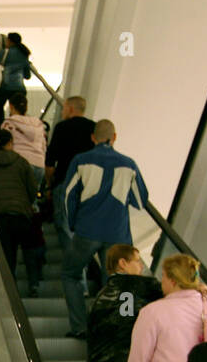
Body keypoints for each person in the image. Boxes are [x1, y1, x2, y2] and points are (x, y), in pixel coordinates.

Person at [61, 119, 150, 338]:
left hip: (86, 231)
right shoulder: (128, 164)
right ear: (115, 137)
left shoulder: (81, 160)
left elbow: (68, 196)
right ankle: (112, 330)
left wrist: (73, 224)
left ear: (93, 137)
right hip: (117, 235)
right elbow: (141, 200)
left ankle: (80, 327)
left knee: (70, 275)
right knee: (113, 282)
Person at [0, 129, 38, 293]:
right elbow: (33, 189)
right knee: (29, 249)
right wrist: (26, 203)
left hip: (0, 216)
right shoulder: (22, 162)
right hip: (22, 214)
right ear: (9, 143)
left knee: (7, 255)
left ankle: (11, 292)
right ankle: (34, 284)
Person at [45, 95, 95, 245]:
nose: (62, 112)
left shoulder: (62, 128)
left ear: (70, 108)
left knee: (64, 224)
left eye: (64, 108)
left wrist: (50, 184)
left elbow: (50, 162)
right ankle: (82, 264)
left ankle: (73, 264)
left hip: (65, 181)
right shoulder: (95, 128)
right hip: (88, 185)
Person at [1, 92, 47, 193]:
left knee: (18, 195)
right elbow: (44, 146)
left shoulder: (9, 123)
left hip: (20, 162)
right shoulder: (38, 124)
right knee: (32, 197)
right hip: (39, 164)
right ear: (26, 107)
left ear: (11, 106)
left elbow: (4, 145)